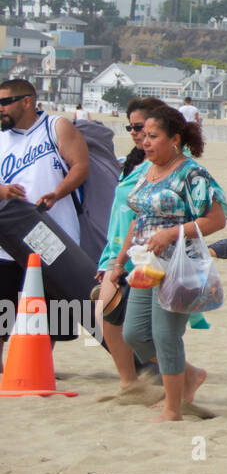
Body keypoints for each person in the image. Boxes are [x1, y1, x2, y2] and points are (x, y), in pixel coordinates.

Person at [113, 105, 227, 422]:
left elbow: (216, 220)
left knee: (166, 335)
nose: (145, 141)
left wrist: (171, 233)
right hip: (145, 264)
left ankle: (173, 408)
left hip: (179, 265)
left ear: (174, 139)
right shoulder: (146, 170)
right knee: (135, 334)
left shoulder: (191, 174)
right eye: (143, 135)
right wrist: (119, 261)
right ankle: (188, 375)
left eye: (153, 136)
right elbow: (139, 218)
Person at [0, 78, 91, 369]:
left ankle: (38, 365)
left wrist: (58, 192)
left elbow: (80, 165)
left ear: (27, 101)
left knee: (53, 304)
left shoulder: (56, 127)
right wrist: (2, 191)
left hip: (53, 230)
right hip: (7, 233)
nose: (0, 109)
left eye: (5, 102)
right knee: (3, 303)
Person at [95, 96, 169, 388]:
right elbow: (122, 214)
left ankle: (171, 377)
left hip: (142, 253)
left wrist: (119, 259)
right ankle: (130, 381)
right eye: (132, 128)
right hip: (118, 250)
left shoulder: (159, 164)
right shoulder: (133, 162)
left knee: (142, 325)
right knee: (110, 316)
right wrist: (110, 258)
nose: (136, 133)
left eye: (142, 128)